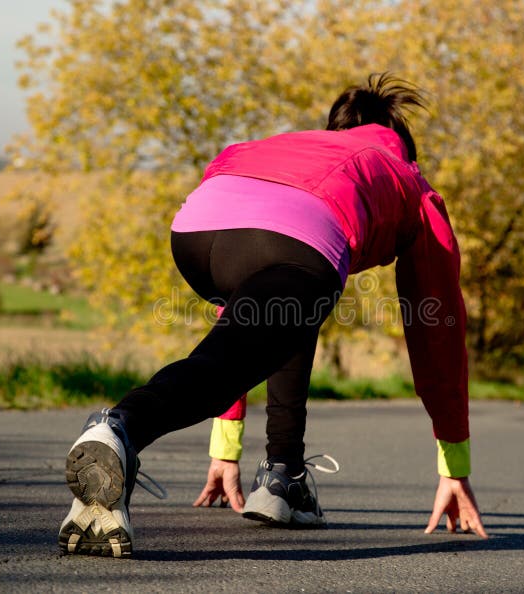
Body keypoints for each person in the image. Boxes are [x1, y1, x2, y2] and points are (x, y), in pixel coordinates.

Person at [58, 73, 488, 558]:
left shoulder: (289, 145)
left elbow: (239, 331)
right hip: (294, 236)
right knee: (269, 321)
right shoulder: (406, 176)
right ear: (403, 146)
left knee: (272, 325)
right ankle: (119, 429)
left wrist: (225, 447)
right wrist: (454, 462)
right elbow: (437, 330)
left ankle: (283, 476)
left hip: (198, 230)